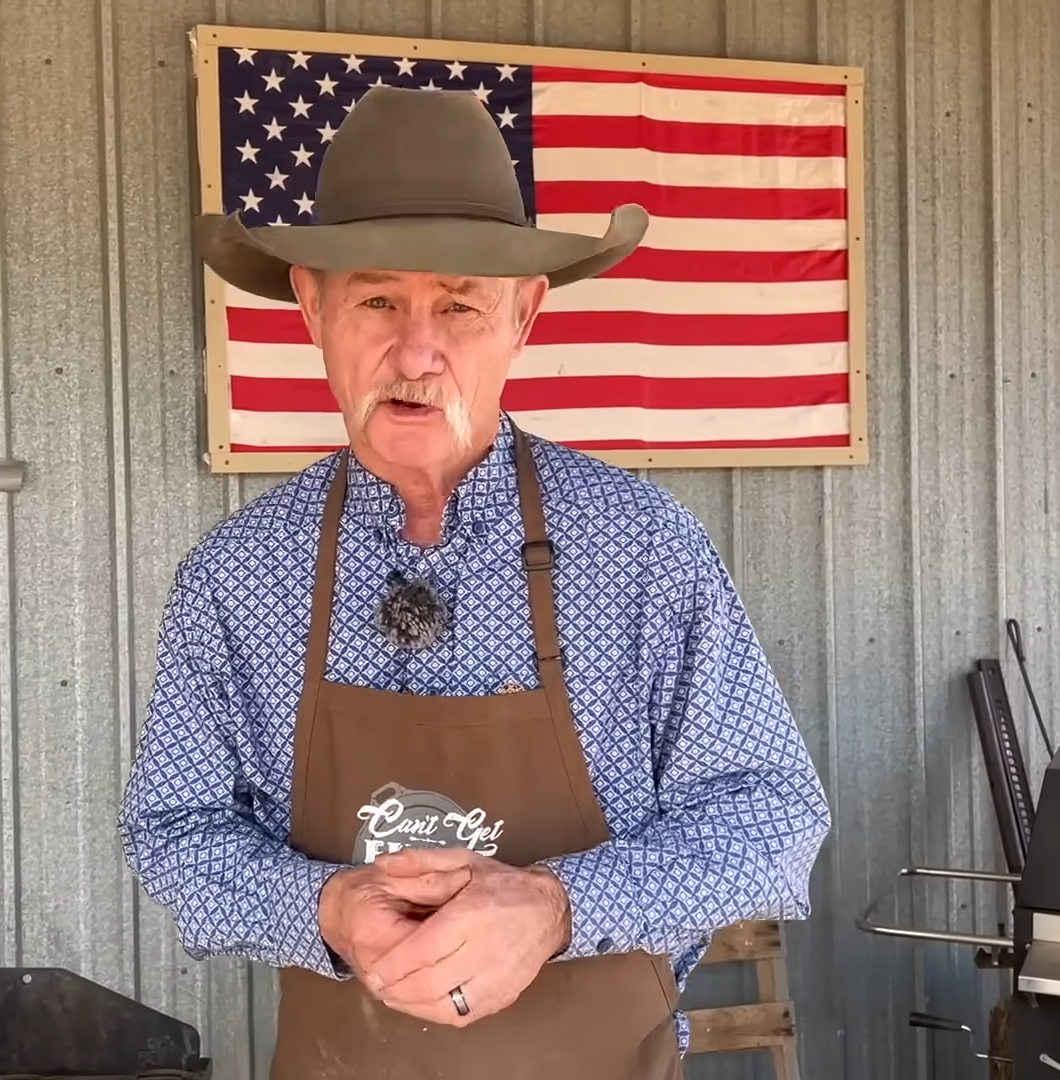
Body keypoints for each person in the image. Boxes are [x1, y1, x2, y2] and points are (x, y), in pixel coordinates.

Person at [119, 85, 831, 1080]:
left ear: (523, 315)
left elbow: (769, 815)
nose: (418, 353)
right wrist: (321, 909)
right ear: (313, 306)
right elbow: (173, 831)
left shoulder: (640, 549)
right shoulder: (239, 578)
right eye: (377, 300)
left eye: (458, 305)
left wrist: (555, 906)